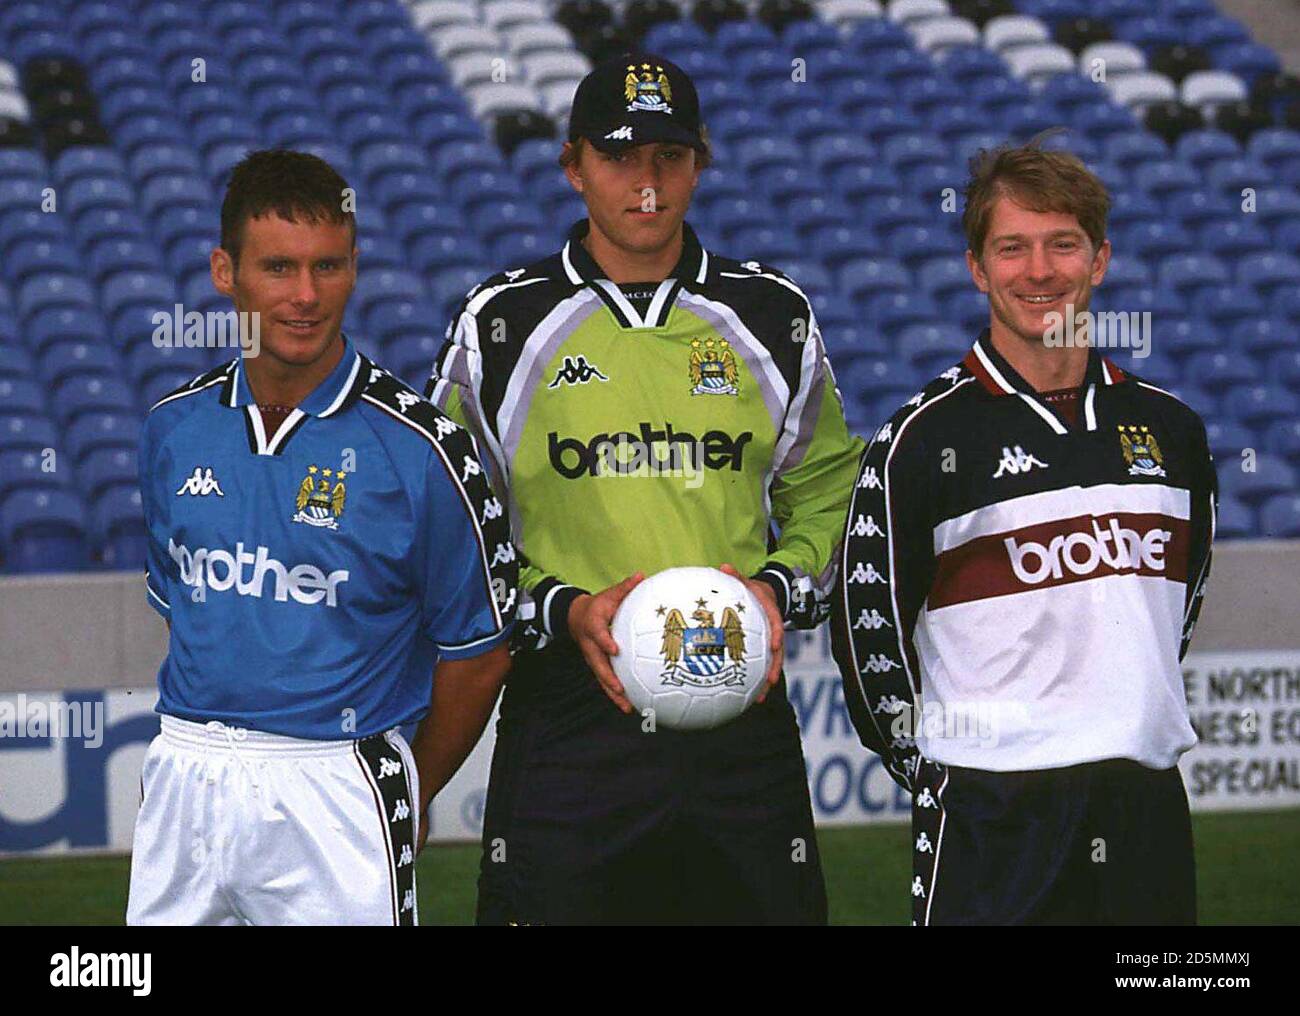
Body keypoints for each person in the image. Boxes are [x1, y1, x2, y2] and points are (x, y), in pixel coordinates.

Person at [426, 53, 864, 924]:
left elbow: (831, 492)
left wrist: (778, 591)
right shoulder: (502, 326)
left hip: (741, 710)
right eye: (621, 157)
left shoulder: (771, 316)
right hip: (568, 712)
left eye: (669, 156)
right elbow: (453, 527)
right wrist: (559, 608)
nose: (648, 182)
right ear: (574, 165)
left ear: (699, 163)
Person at [831, 140, 1217, 925]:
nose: (1040, 271)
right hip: (990, 810)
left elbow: (1181, 606)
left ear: (1099, 260)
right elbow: (866, 635)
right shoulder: (920, 440)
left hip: (1141, 806)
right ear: (978, 268)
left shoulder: (1171, 430)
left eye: (1063, 244)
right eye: (1013, 247)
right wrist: (936, 769)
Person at [127, 150, 517, 925]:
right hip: (182, 773)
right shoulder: (172, 429)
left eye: (328, 266)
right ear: (224, 273)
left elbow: (480, 654)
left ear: (355, 267)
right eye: (278, 268)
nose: (306, 296)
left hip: (338, 785)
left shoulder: (423, 448)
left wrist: (412, 782)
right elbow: (189, 605)